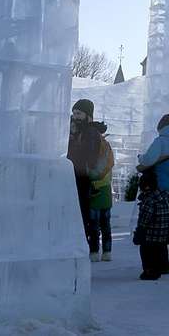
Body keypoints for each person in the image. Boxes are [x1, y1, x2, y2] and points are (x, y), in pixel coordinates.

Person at [137, 111, 169, 270]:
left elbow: (148, 160)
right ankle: (167, 260)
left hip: (163, 188)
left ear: (161, 126)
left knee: (162, 223)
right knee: (165, 222)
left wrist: (140, 158)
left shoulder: (161, 141)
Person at [67, 99, 104, 251]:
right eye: (74, 113)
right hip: (76, 175)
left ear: (88, 115)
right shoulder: (80, 130)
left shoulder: (90, 132)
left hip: (82, 177)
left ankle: (87, 245)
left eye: (79, 113)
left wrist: (72, 141)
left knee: (83, 212)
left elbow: (88, 155)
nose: (75, 116)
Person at [133, 168, 169, 281]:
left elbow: (144, 219)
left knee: (146, 251)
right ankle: (163, 267)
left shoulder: (149, 200)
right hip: (163, 233)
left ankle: (150, 271)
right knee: (160, 250)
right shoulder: (163, 196)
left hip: (151, 234)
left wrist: (139, 233)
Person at [87, 126, 116, 262]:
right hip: (106, 190)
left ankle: (94, 252)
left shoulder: (93, 147)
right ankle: (107, 252)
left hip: (95, 190)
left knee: (94, 225)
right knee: (106, 225)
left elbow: (91, 171)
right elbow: (109, 166)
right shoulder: (107, 147)